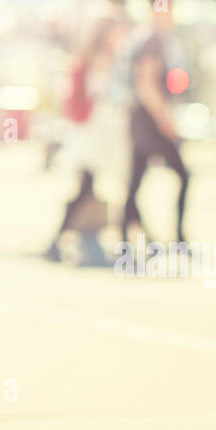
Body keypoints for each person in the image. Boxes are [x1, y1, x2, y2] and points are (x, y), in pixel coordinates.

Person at [44, 13, 124, 263]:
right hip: (91, 135)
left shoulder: (102, 59)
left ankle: (58, 242)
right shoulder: (96, 61)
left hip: (99, 133)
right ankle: (55, 242)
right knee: (86, 188)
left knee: (88, 188)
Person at [121, 2, 188, 244]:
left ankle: (125, 239)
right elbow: (147, 86)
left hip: (138, 119)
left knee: (135, 181)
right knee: (184, 175)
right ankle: (179, 237)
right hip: (149, 120)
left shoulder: (143, 37)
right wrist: (166, 122)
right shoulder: (152, 40)